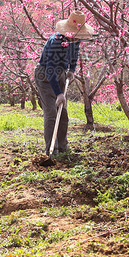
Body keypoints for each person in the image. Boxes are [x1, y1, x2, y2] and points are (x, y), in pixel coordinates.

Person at [34, 11, 95, 158]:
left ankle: (62, 146)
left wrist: (71, 71)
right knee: (51, 113)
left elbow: (74, 56)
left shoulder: (75, 40)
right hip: (46, 77)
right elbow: (49, 71)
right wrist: (59, 93)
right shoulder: (56, 42)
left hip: (60, 74)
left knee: (63, 113)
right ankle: (51, 150)